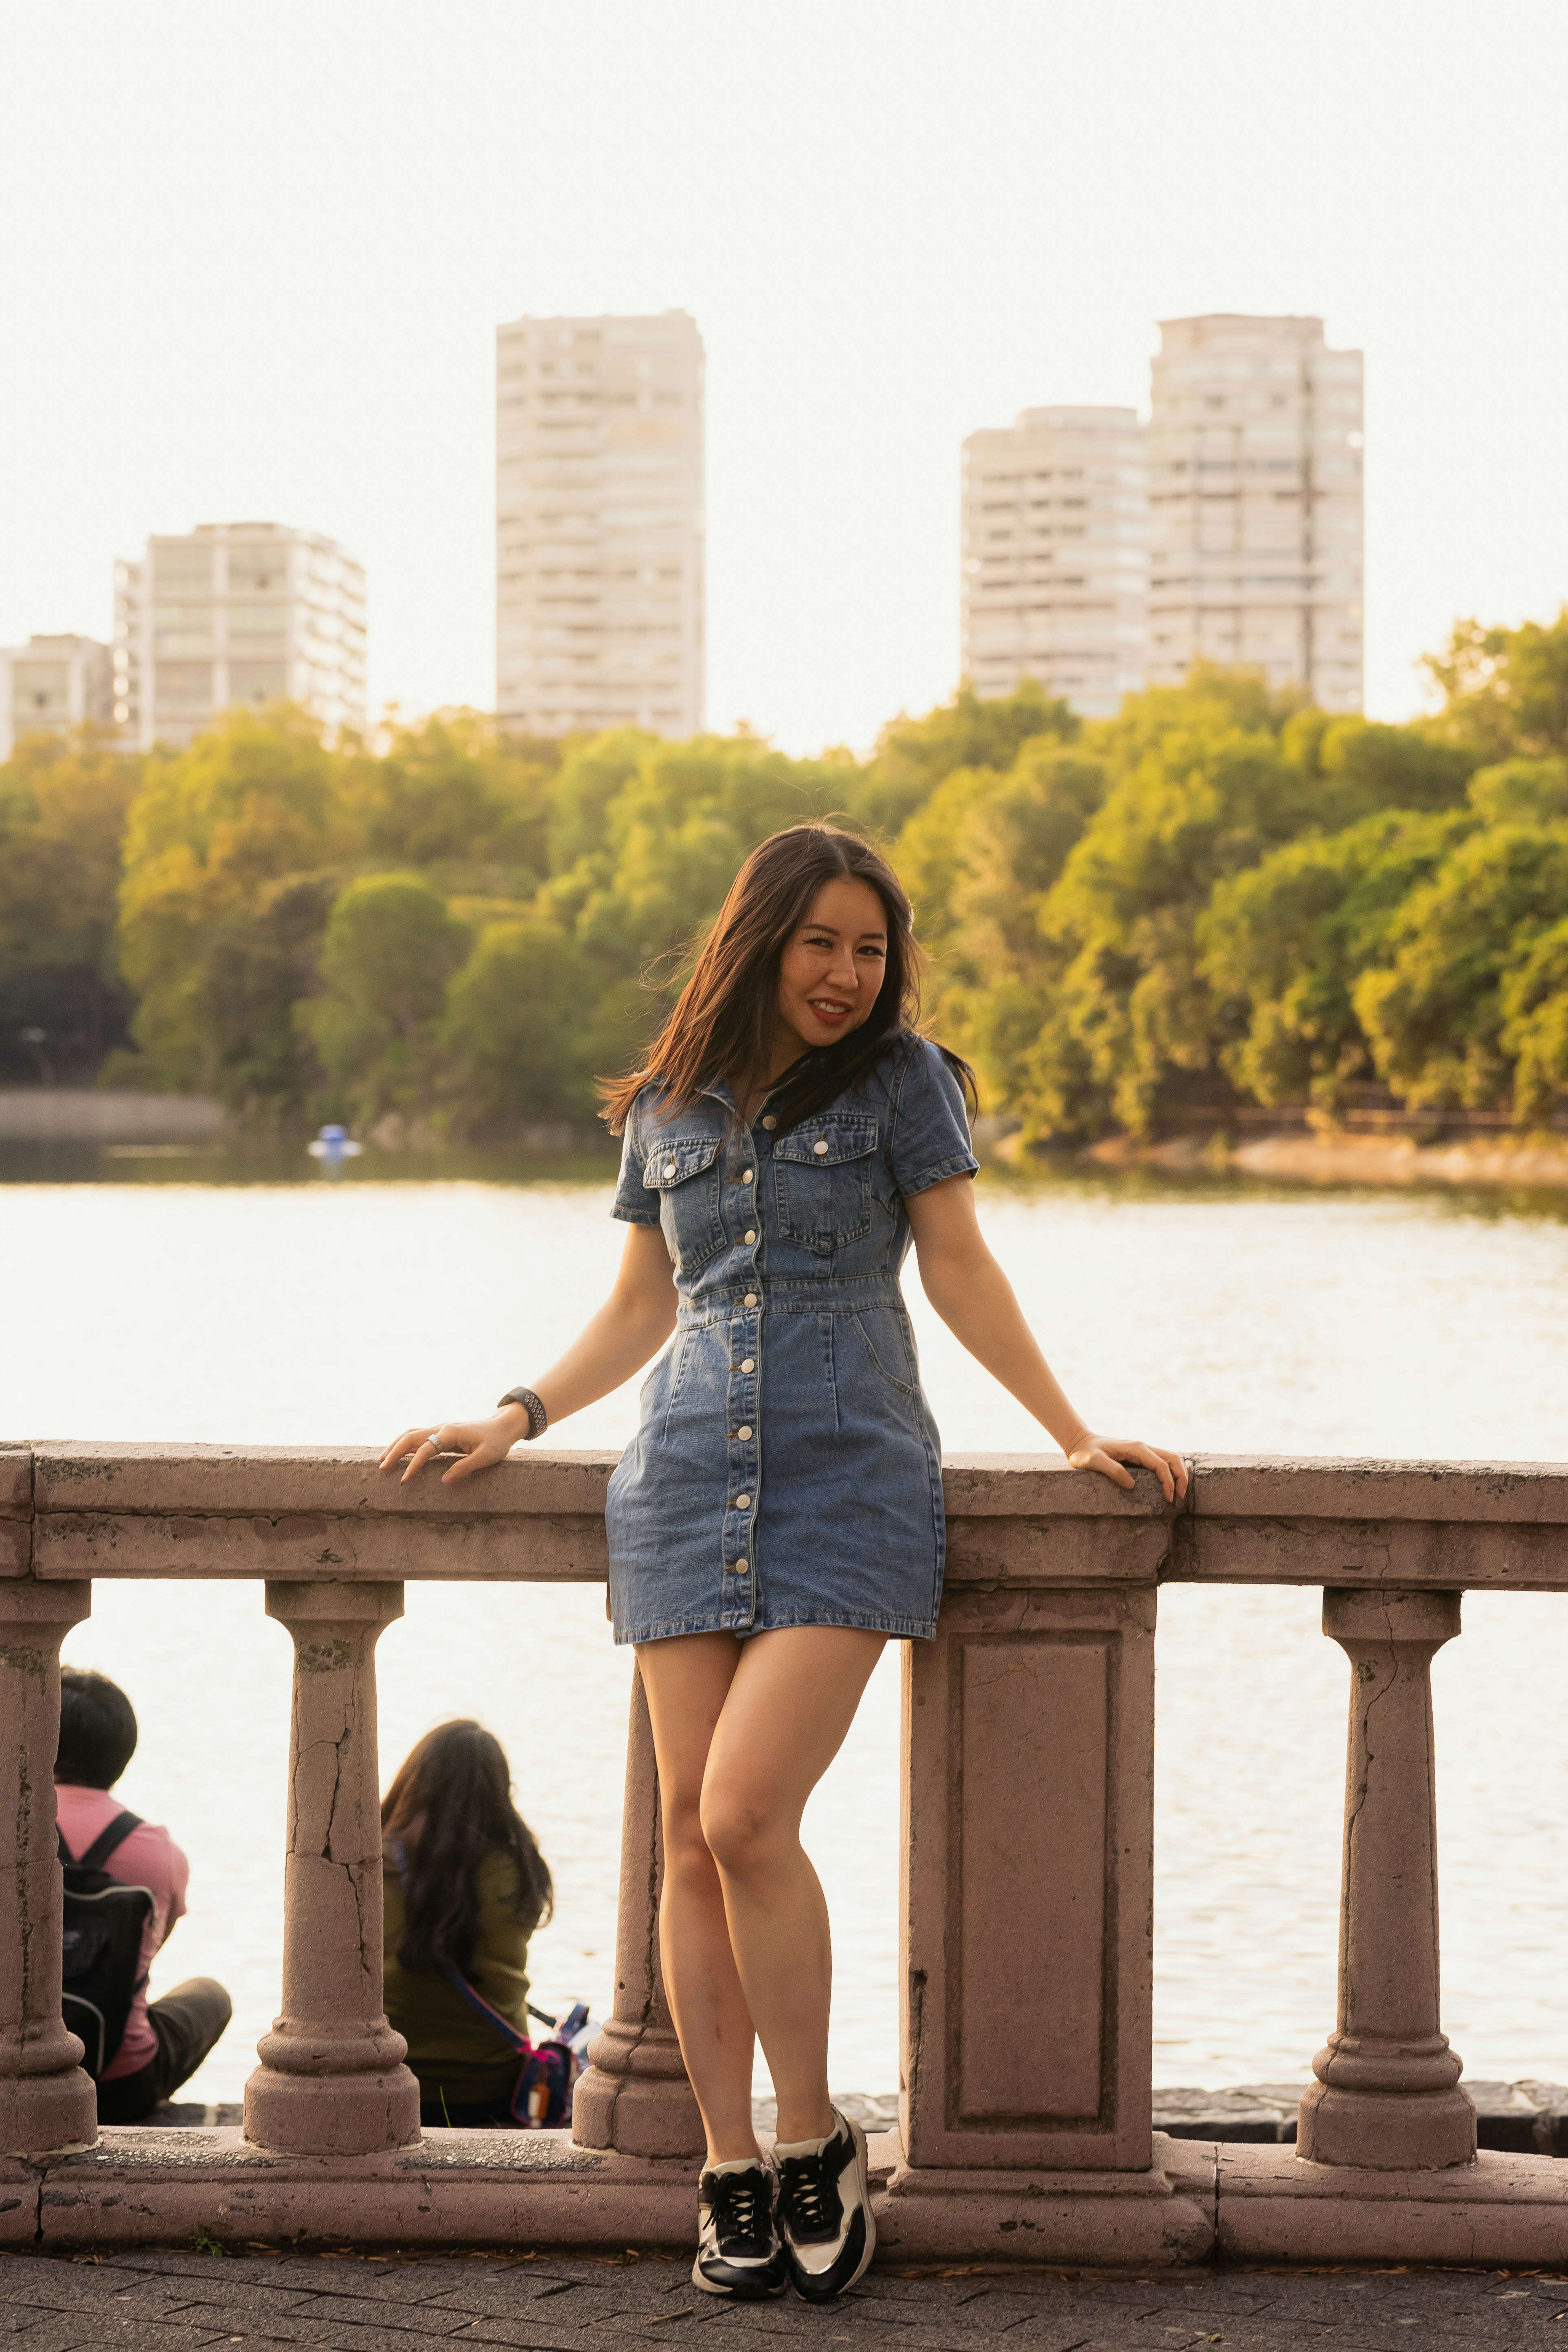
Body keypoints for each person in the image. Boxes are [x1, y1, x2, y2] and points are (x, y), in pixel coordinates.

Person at [381, 822, 1188, 2302]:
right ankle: (727, 2167)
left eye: (869, 948)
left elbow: (959, 1263)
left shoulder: (903, 1081)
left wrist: (1072, 1429)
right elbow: (643, 1303)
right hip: (683, 1478)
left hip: (849, 1479)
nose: (846, 972)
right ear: (760, 942)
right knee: (690, 1838)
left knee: (747, 1811)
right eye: (821, 942)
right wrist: (516, 1412)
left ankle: (813, 2136)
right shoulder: (667, 1103)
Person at [54, 1668, 231, 2124]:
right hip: (118, 2087)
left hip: (14, 2076)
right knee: (211, 1995)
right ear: (122, 1753)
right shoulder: (160, 1851)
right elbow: (144, 1954)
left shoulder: (10, 1827)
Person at [381, 1719, 555, 2126]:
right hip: (492, 2086)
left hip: (391, 2078)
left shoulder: (372, 1862)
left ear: (412, 1783)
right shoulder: (520, 1865)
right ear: (499, 1791)